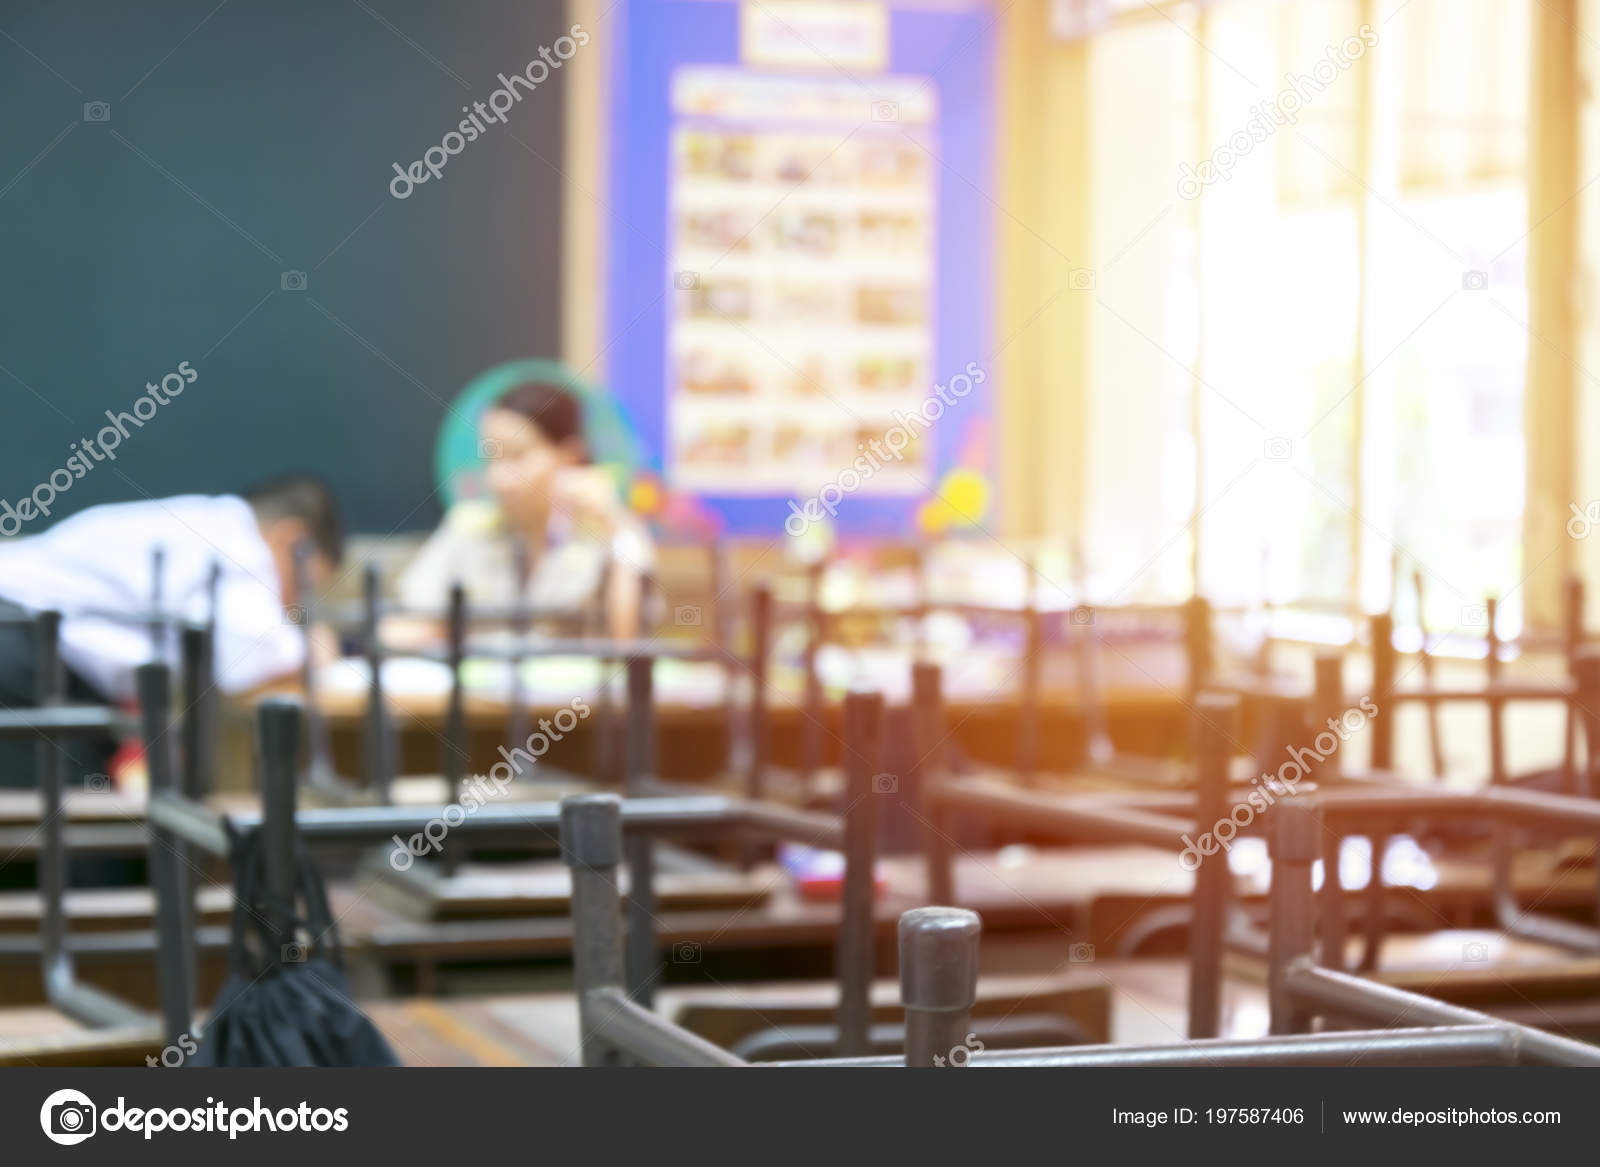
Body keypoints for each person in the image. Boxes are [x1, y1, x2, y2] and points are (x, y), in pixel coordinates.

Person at [0, 475, 343, 788]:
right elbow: (243, 658)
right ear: (292, 540)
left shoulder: (207, 524)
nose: (291, 605)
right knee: (78, 835)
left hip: (36, 656)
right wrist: (314, 647)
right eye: (302, 588)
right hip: (18, 650)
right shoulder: (236, 542)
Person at [396, 381, 651, 637]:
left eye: (517, 456)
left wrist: (616, 524)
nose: (499, 478)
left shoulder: (603, 532)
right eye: (492, 458)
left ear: (569, 456)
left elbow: (628, 645)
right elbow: (410, 623)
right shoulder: (471, 525)